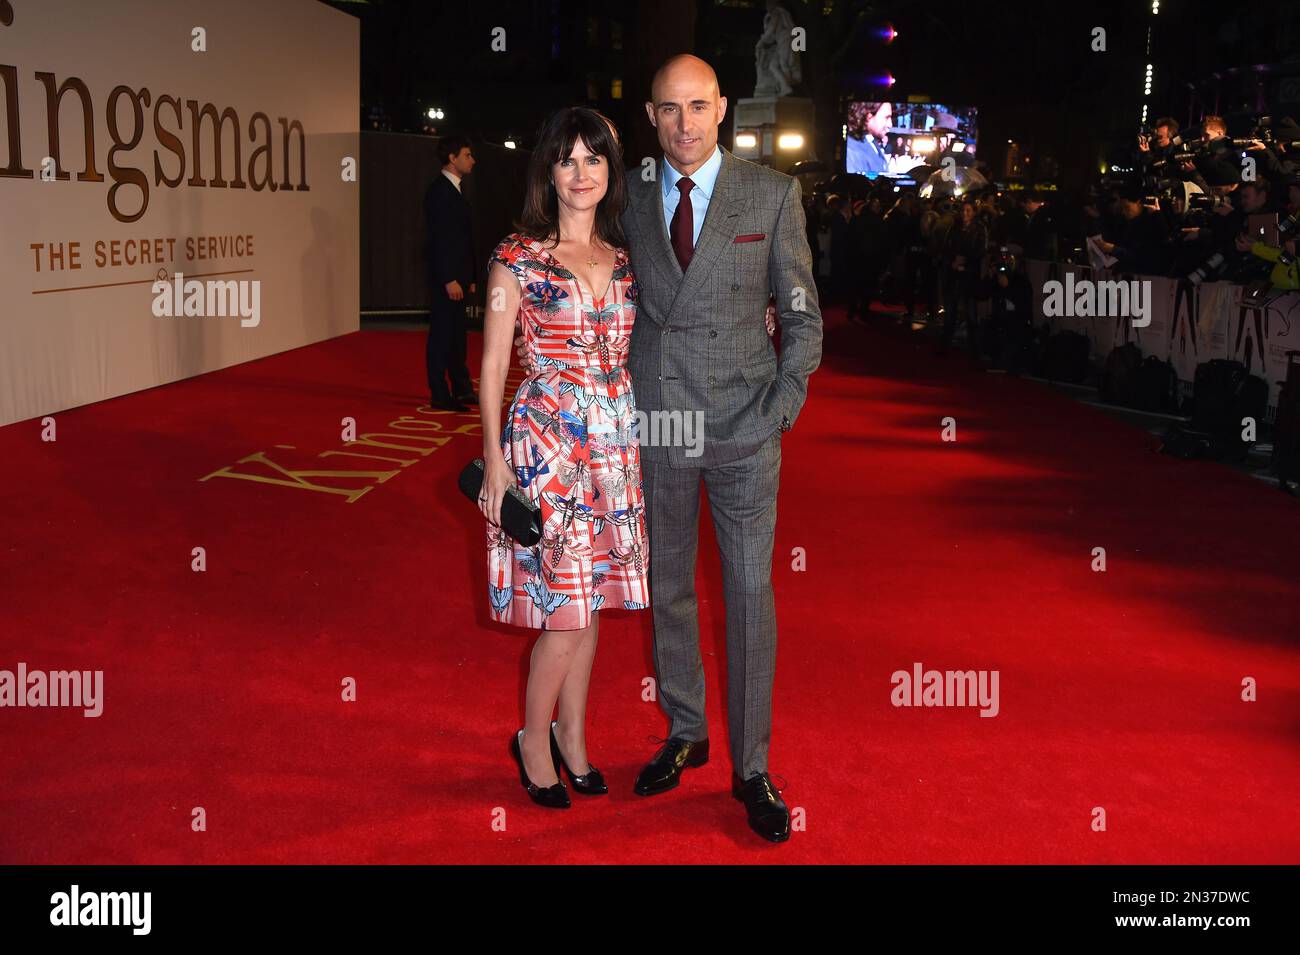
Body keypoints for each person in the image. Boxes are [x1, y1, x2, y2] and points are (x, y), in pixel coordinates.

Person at [516, 55, 822, 842]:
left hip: (746, 427)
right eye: (669, 109)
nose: (685, 123)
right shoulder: (630, 197)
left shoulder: (771, 194)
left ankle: (752, 766)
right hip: (655, 426)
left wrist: (782, 406)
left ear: (722, 108)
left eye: (698, 105)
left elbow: (802, 313)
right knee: (671, 586)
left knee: (748, 592)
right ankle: (686, 729)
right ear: (651, 118)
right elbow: (573, 250)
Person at [479, 107, 648, 810]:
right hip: (547, 447)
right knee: (567, 610)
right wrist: (493, 460)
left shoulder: (626, 256)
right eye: (567, 159)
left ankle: (573, 737)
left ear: (611, 170)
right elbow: (493, 365)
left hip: (615, 446)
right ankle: (532, 739)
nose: (581, 173)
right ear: (548, 172)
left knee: (592, 599)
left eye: (594, 158)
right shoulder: (515, 257)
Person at [425, 134, 478, 411]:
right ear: (452, 158)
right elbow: (438, 240)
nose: (473, 160)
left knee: (458, 337)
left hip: (459, 279)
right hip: (447, 280)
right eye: (467, 155)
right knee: (442, 336)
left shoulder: (455, 189)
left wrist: (470, 278)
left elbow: (463, 240)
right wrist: (449, 279)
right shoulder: (439, 192)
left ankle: (462, 388)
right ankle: (439, 393)